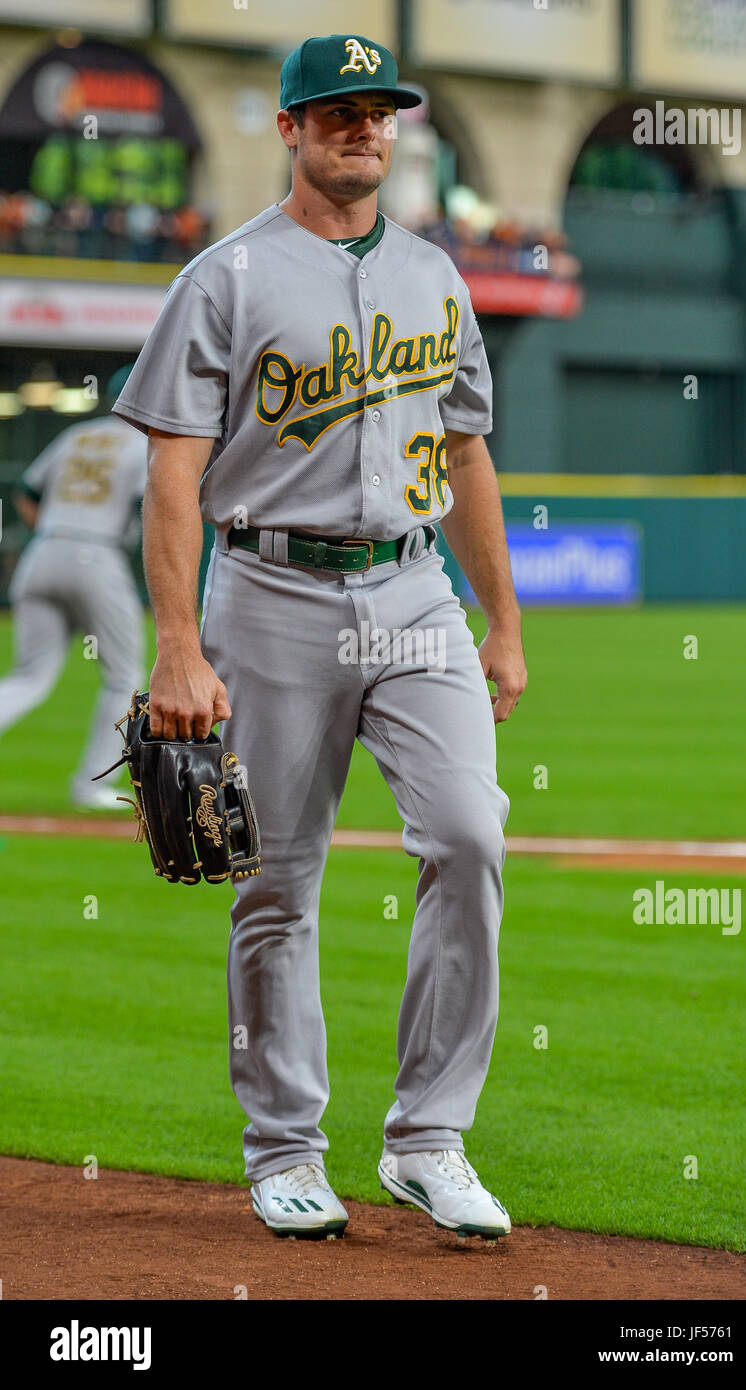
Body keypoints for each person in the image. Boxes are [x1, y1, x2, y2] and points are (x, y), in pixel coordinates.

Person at [112, 33, 527, 1242]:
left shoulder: (439, 276)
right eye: (336, 111)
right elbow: (174, 475)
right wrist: (178, 647)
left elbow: (464, 453)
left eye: (379, 112)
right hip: (271, 591)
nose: (363, 128)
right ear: (290, 129)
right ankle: (286, 1147)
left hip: (413, 591)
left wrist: (501, 618)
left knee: (467, 834)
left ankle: (428, 1139)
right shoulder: (225, 277)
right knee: (275, 885)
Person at [0, 367, 146, 809]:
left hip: (42, 552)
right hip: (95, 554)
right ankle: (92, 784)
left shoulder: (78, 435)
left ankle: (92, 784)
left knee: (30, 676)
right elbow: (149, 508)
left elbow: (26, 492)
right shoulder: (146, 444)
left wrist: (56, 532)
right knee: (124, 677)